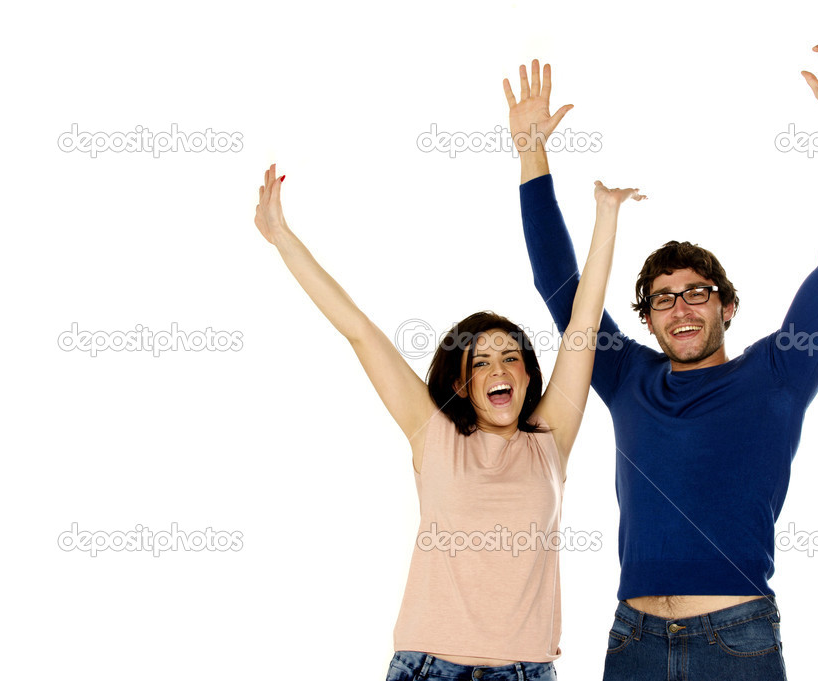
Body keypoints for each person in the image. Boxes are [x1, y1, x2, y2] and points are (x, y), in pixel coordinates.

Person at [510, 44, 818, 679]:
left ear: (727, 307)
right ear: (646, 318)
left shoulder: (779, 375)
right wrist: (531, 154)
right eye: (663, 299)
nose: (682, 309)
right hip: (633, 639)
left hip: (737, 640)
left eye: (698, 293)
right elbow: (562, 288)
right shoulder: (627, 378)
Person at [252, 162, 644, 678]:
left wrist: (607, 216)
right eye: (479, 362)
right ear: (461, 383)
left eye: (509, 357)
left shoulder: (550, 439)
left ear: (527, 375)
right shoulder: (432, 431)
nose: (497, 370)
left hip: (524, 671)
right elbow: (360, 332)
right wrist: (282, 237)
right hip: (428, 666)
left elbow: (583, 326)